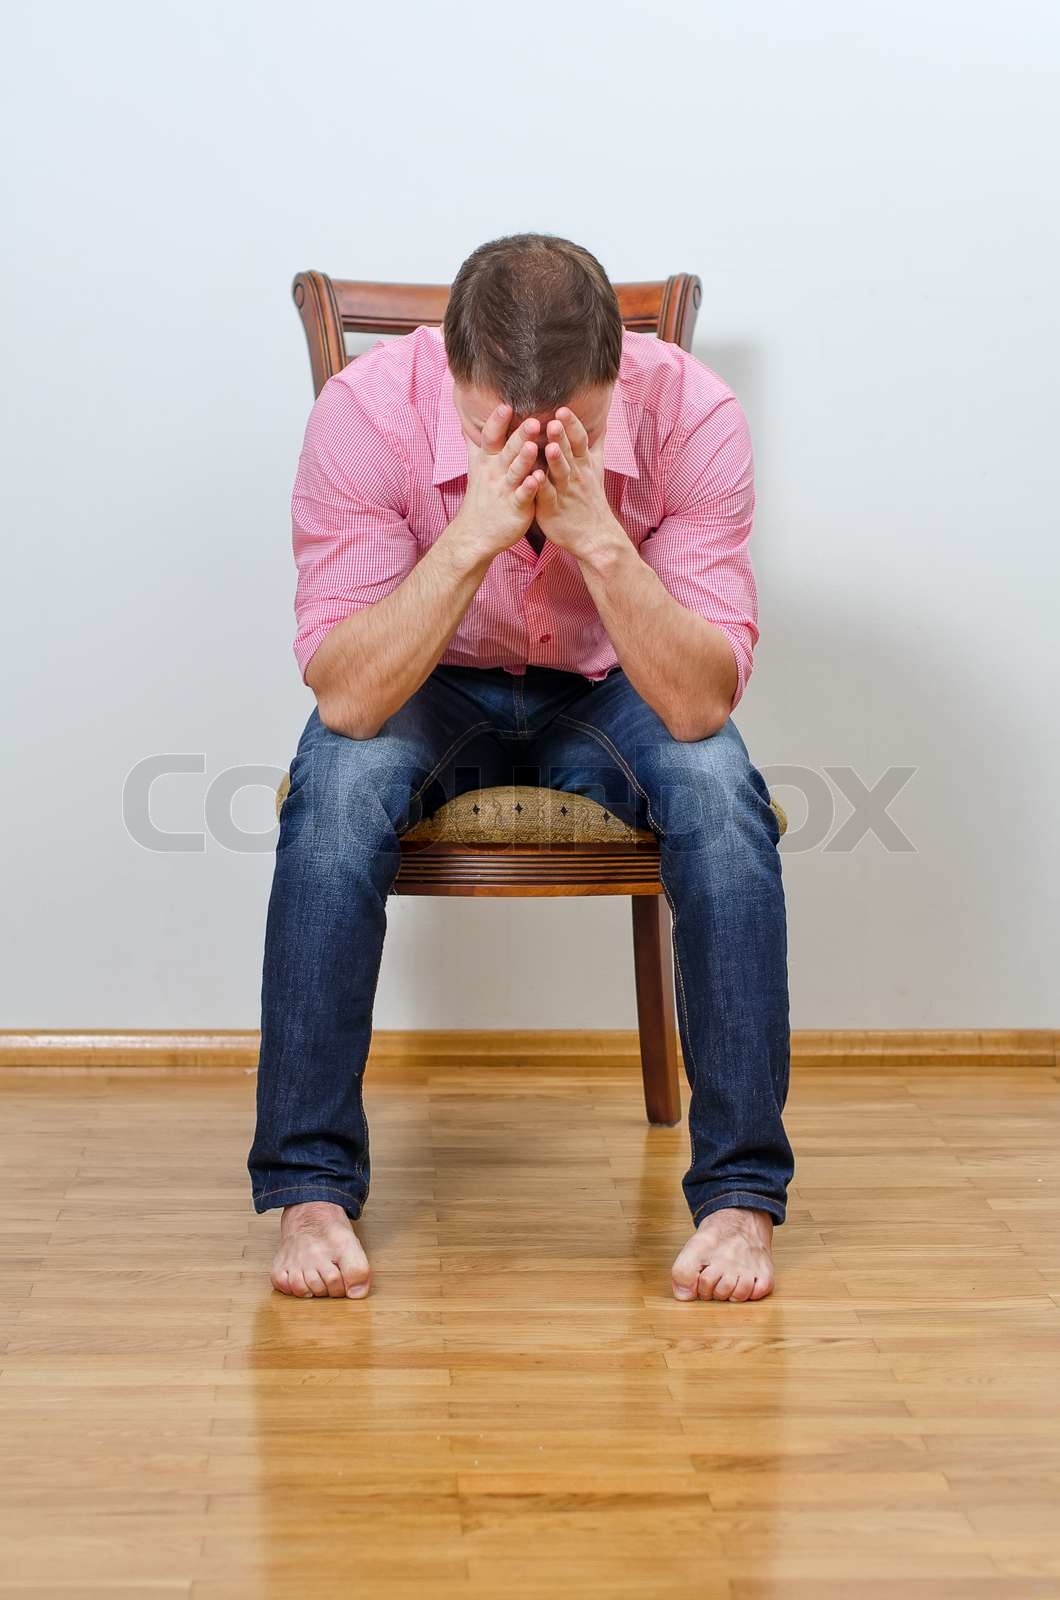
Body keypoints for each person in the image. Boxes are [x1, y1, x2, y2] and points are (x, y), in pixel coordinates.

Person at [247, 232, 795, 1304]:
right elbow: (349, 696)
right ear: (448, 371)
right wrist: (468, 539)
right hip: (429, 677)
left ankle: (738, 1200)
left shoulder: (694, 416)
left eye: (579, 431)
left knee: (722, 799)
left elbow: (697, 702)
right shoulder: (366, 413)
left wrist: (599, 539)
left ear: (619, 377)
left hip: (613, 687)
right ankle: (309, 1190)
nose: (542, 452)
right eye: (494, 428)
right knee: (338, 789)